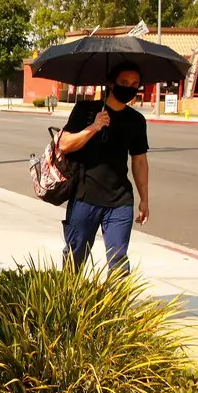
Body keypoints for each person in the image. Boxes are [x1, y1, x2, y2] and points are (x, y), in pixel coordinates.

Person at [58, 62, 149, 274]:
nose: (130, 87)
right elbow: (64, 144)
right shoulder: (86, 110)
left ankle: (116, 306)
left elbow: (139, 160)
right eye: (124, 82)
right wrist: (93, 127)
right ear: (111, 83)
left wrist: (144, 198)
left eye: (135, 84)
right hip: (85, 197)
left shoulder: (136, 121)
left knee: (119, 262)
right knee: (75, 258)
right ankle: (70, 302)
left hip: (120, 201)